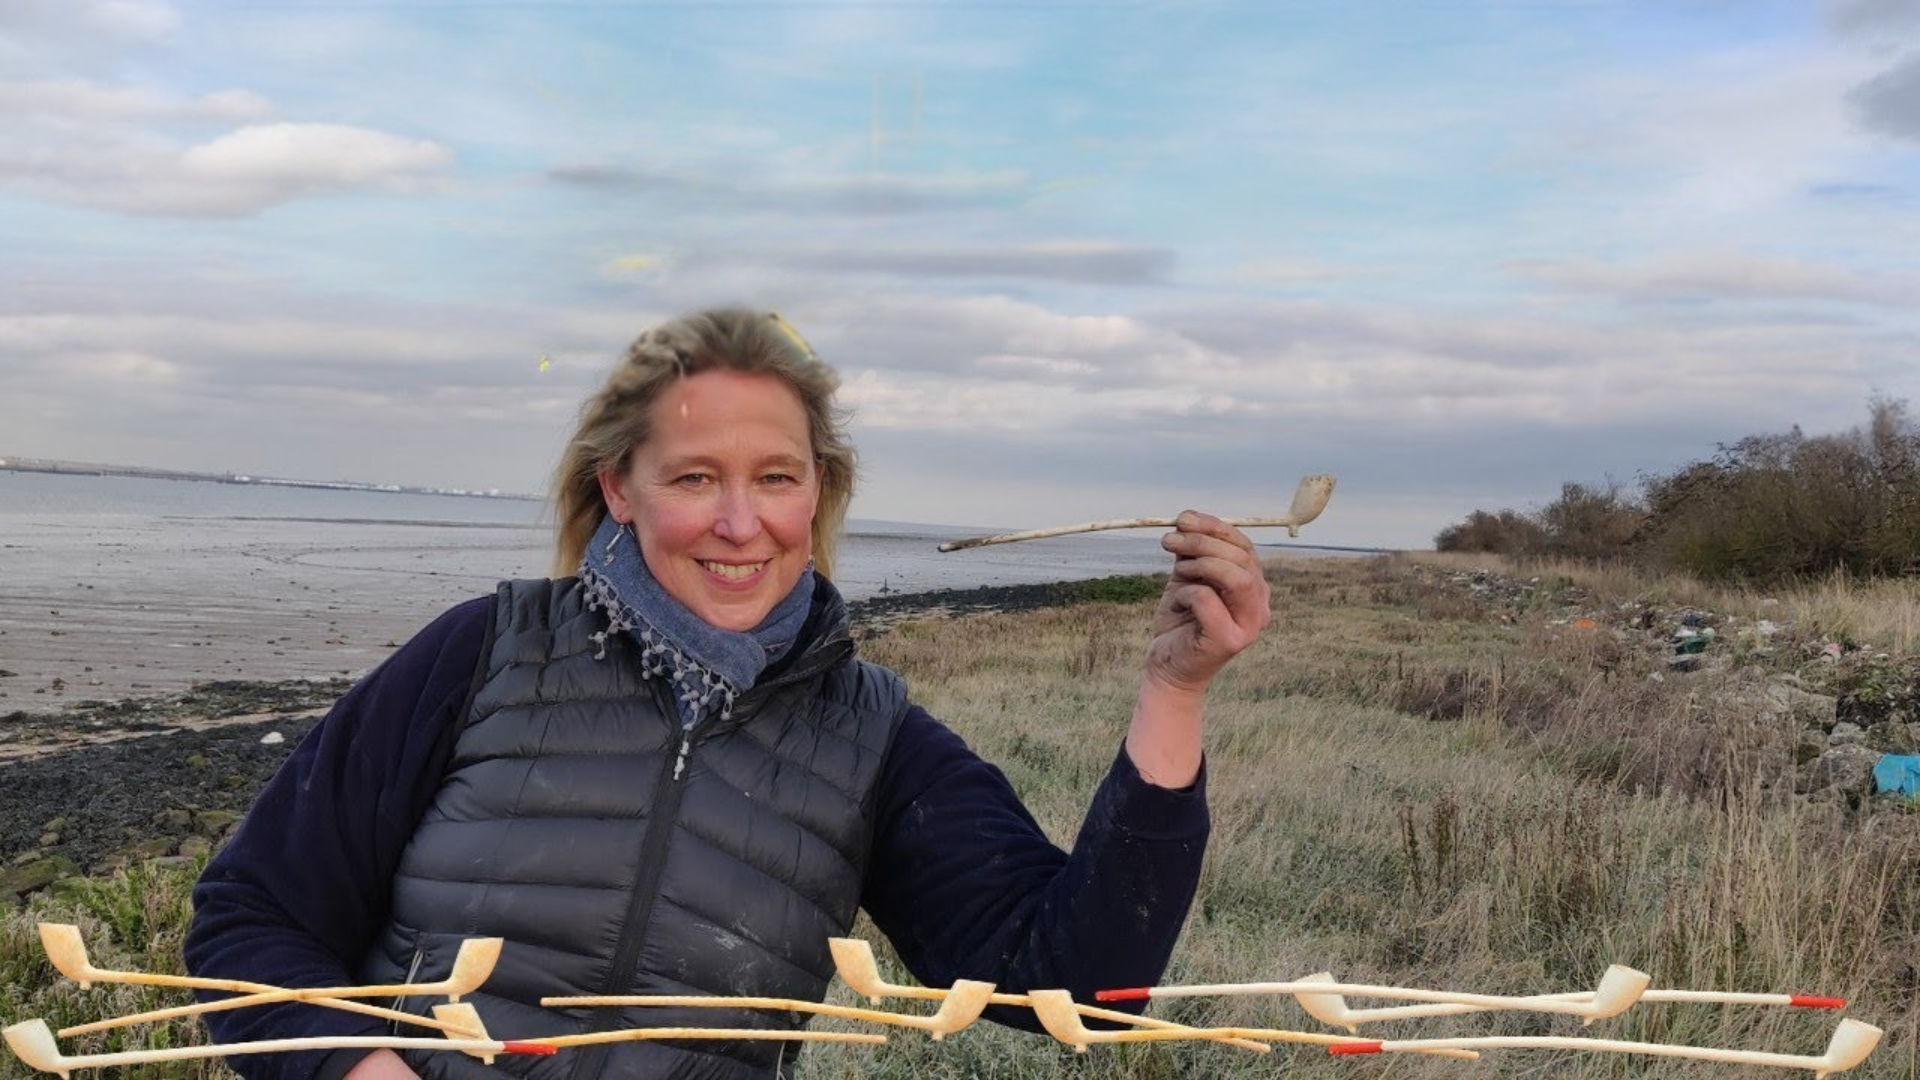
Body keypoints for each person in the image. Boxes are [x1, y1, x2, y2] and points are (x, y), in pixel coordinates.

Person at [185, 308, 1273, 1080]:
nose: (740, 523)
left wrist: (1173, 694)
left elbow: (1074, 993)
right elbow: (252, 920)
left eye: (776, 478)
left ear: (820, 493)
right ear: (622, 487)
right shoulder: (487, 651)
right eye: (696, 477)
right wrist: (362, 1069)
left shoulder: (875, 737)